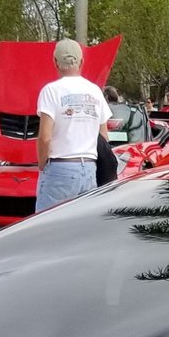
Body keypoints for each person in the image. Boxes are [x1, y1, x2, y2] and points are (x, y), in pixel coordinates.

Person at [34, 38, 109, 211]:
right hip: (89, 167)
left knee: (46, 225)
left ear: (55, 62)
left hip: (60, 166)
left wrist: (42, 163)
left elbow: (45, 137)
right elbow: (103, 136)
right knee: (80, 227)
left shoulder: (51, 91)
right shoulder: (95, 91)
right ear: (82, 61)